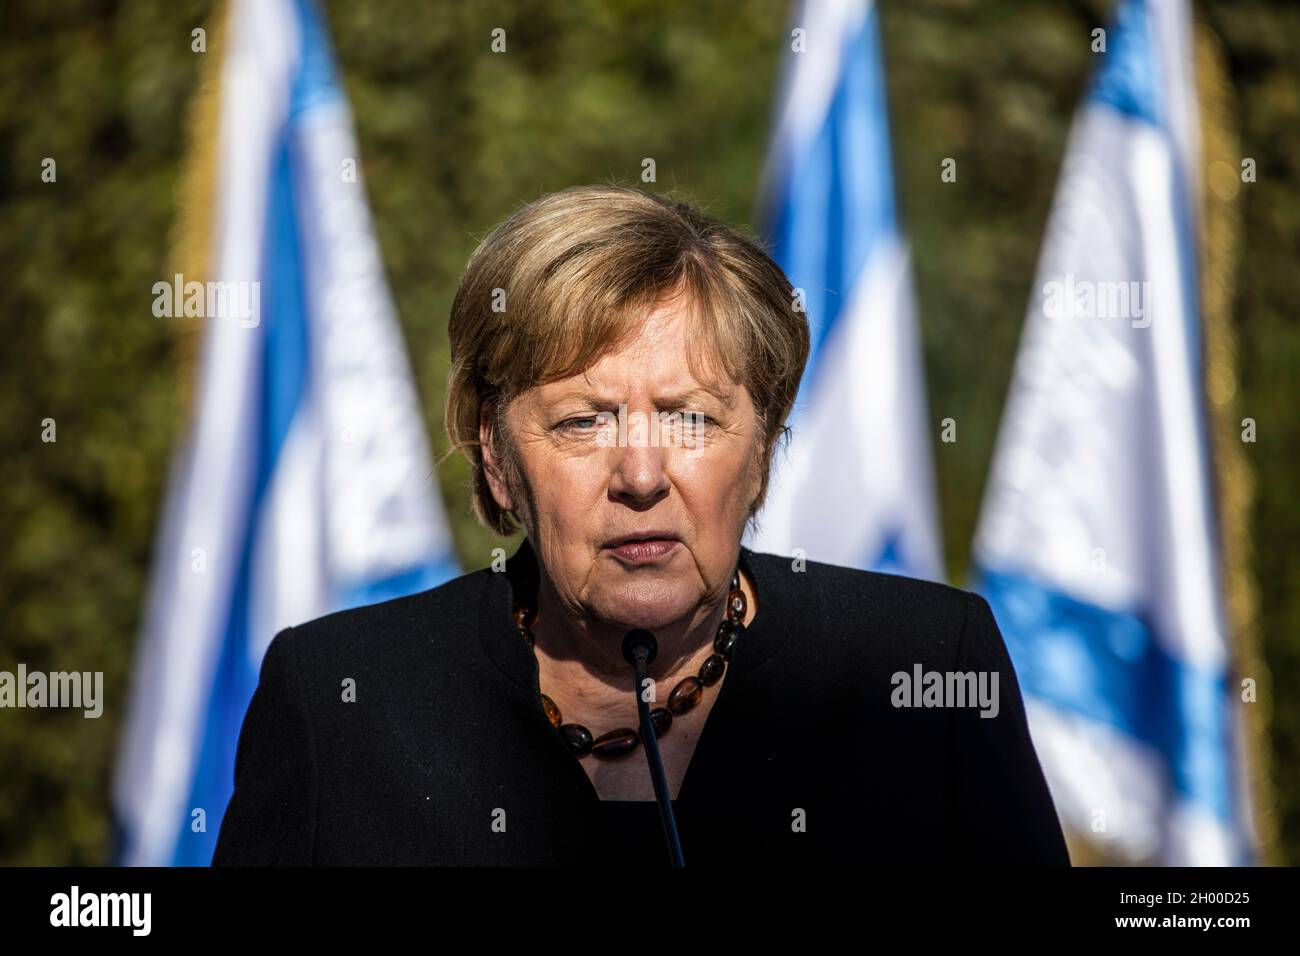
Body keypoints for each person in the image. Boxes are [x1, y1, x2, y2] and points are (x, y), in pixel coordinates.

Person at [211, 184, 1071, 866]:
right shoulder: (339, 697)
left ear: (763, 448)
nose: (641, 476)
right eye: (583, 421)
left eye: (690, 418)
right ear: (499, 459)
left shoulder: (923, 664)